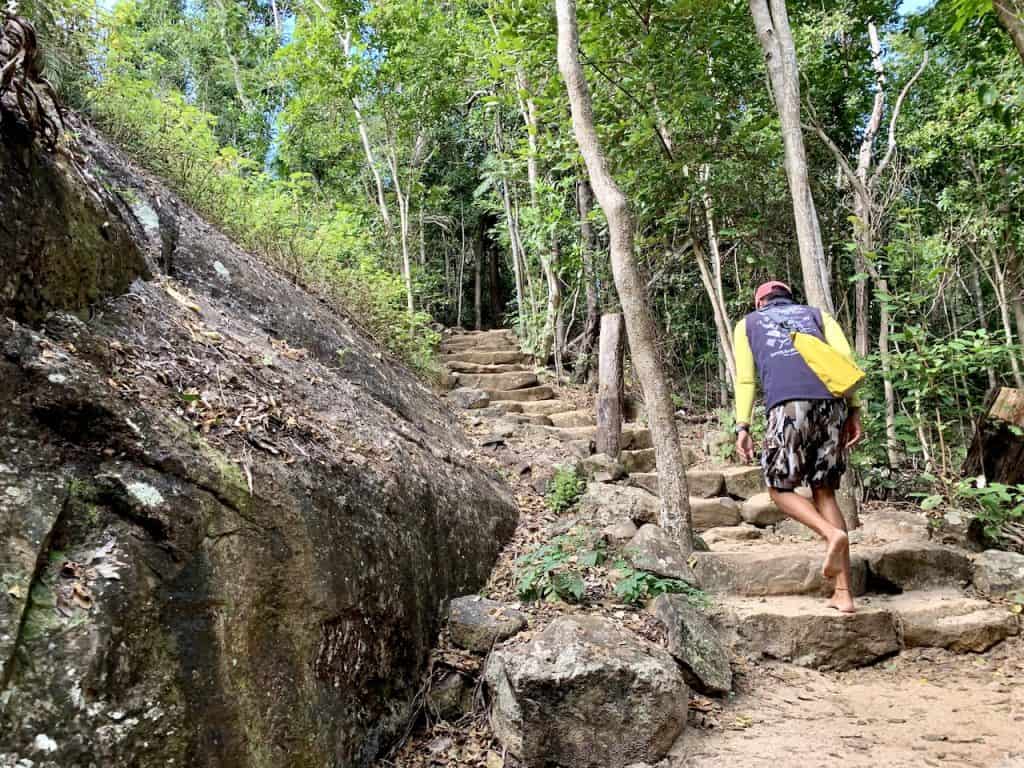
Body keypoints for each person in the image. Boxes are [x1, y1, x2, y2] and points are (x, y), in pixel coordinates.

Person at [732, 281, 864, 613]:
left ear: (759, 301)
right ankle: (844, 594)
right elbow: (845, 360)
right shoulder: (817, 316)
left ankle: (830, 534)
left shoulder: (748, 324)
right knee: (824, 492)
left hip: (788, 406)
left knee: (779, 489)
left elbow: (746, 379)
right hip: (833, 405)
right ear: (790, 298)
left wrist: (743, 425)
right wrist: (855, 410)